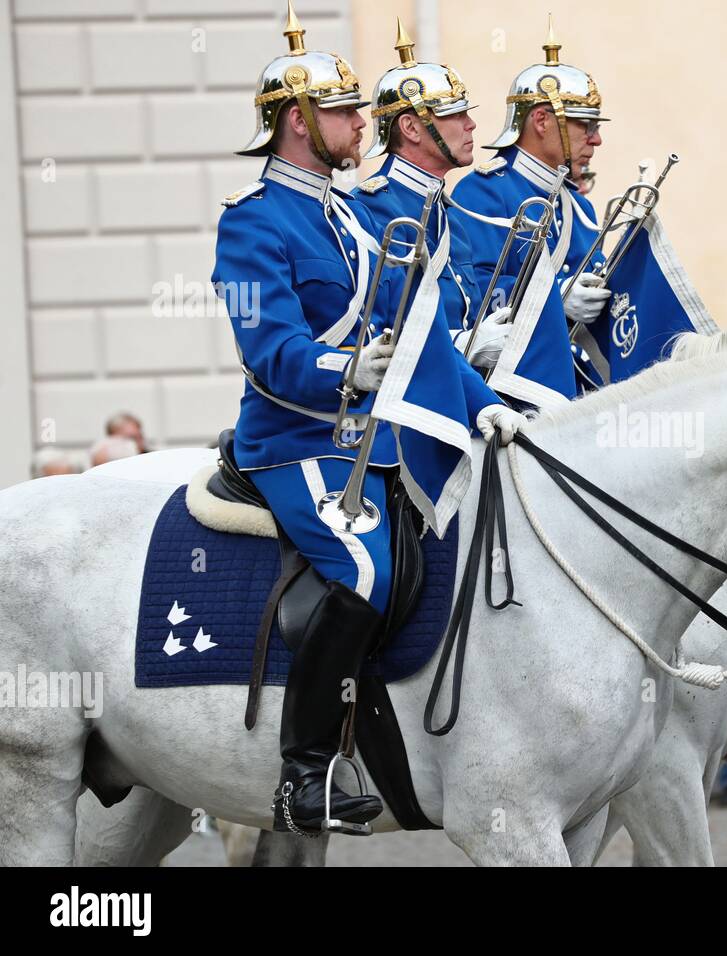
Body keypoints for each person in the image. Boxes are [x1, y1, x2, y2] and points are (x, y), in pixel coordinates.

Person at [213, 2, 522, 835]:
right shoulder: (251, 221)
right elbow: (267, 351)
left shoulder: (351, 217)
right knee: (363, 571)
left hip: (374, 443)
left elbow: (421, 338)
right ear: (297, 121)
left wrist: (485, 406)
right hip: (293, 441)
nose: (362, 123)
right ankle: (302, 774)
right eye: (347, 111)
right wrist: (345, 366)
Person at [449, 19, 611, 396]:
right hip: (516, 391)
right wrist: (558, 296)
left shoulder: (578, 205)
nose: (597, 139)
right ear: (541, 120)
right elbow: (476, 297)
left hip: (580, 386)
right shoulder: (484, 192)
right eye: (585, 125)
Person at [350, 20, 514, 373]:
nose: (470, 124)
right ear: (410, 128)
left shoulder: (447, 210)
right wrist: (465, 344)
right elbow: (390, 324)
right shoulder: (374, 207)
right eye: (454, 114)